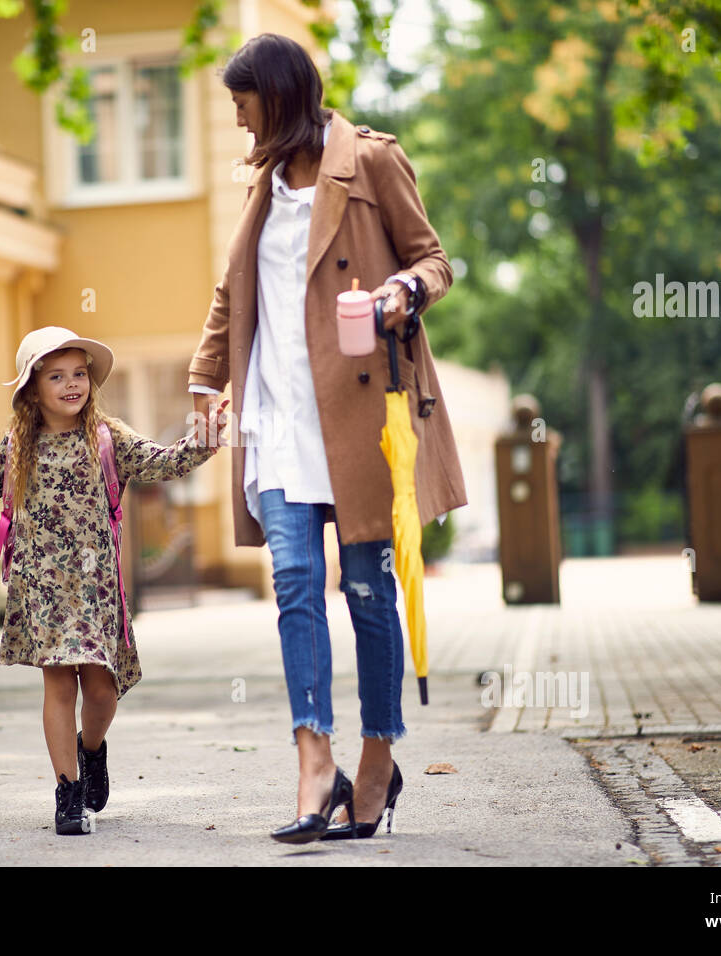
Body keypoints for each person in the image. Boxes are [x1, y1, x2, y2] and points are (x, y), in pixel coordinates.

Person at [188, 34, 468, 843]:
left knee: (369, 592)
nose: (243, 132)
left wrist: (403, 290)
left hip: (358, 419)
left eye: (246, 113)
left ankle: (377, 761)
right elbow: (231, 290)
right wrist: (207, 377)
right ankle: (315, 762)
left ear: (278, 99)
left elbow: (436, 259)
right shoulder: (262, 185)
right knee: (297, 589)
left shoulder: (371, 161)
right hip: (275, 419)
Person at [0, 326, 227, 835]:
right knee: (59, 684)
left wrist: (207, 437)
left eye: (79, 374)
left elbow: (165, 463)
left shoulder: (107, 438)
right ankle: (67, 793)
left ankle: (92, 749)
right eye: (56, 376)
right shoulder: (17, 446)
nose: (71, 384)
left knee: (101, 690)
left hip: (96, 590)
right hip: (42, 590)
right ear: (33, 389)